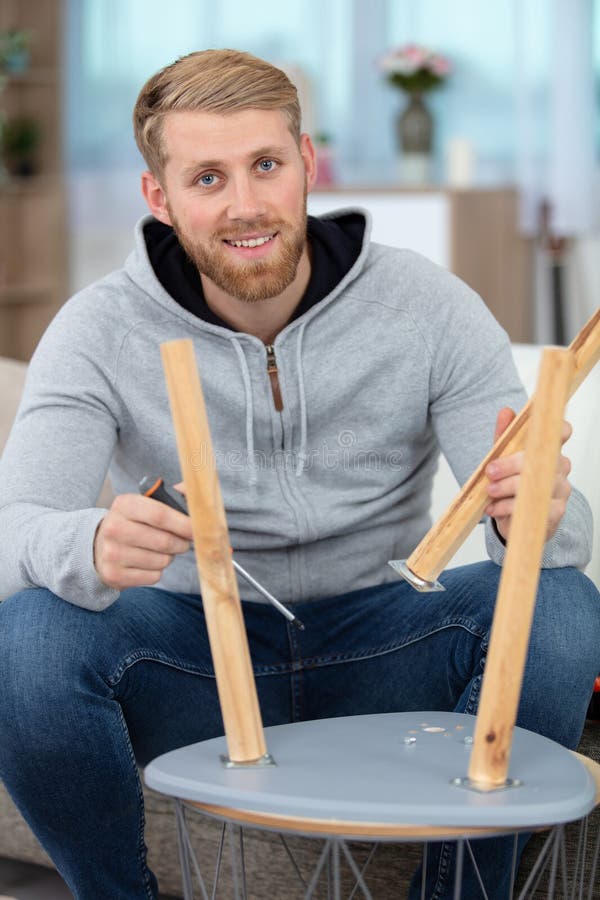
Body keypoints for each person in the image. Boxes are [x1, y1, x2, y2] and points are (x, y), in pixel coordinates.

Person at [0, 48, 598, 900]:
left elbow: (561, 543)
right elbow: (13, 530)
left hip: (388, 643)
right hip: (193, 651)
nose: (246, 206)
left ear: (307, 165)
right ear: (159, 199)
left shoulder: (430, 306)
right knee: (27, 638)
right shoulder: (97, 330)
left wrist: (525, 514)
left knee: (564, 605)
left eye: (266, 166)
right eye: (207, 178)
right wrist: (87, 541)